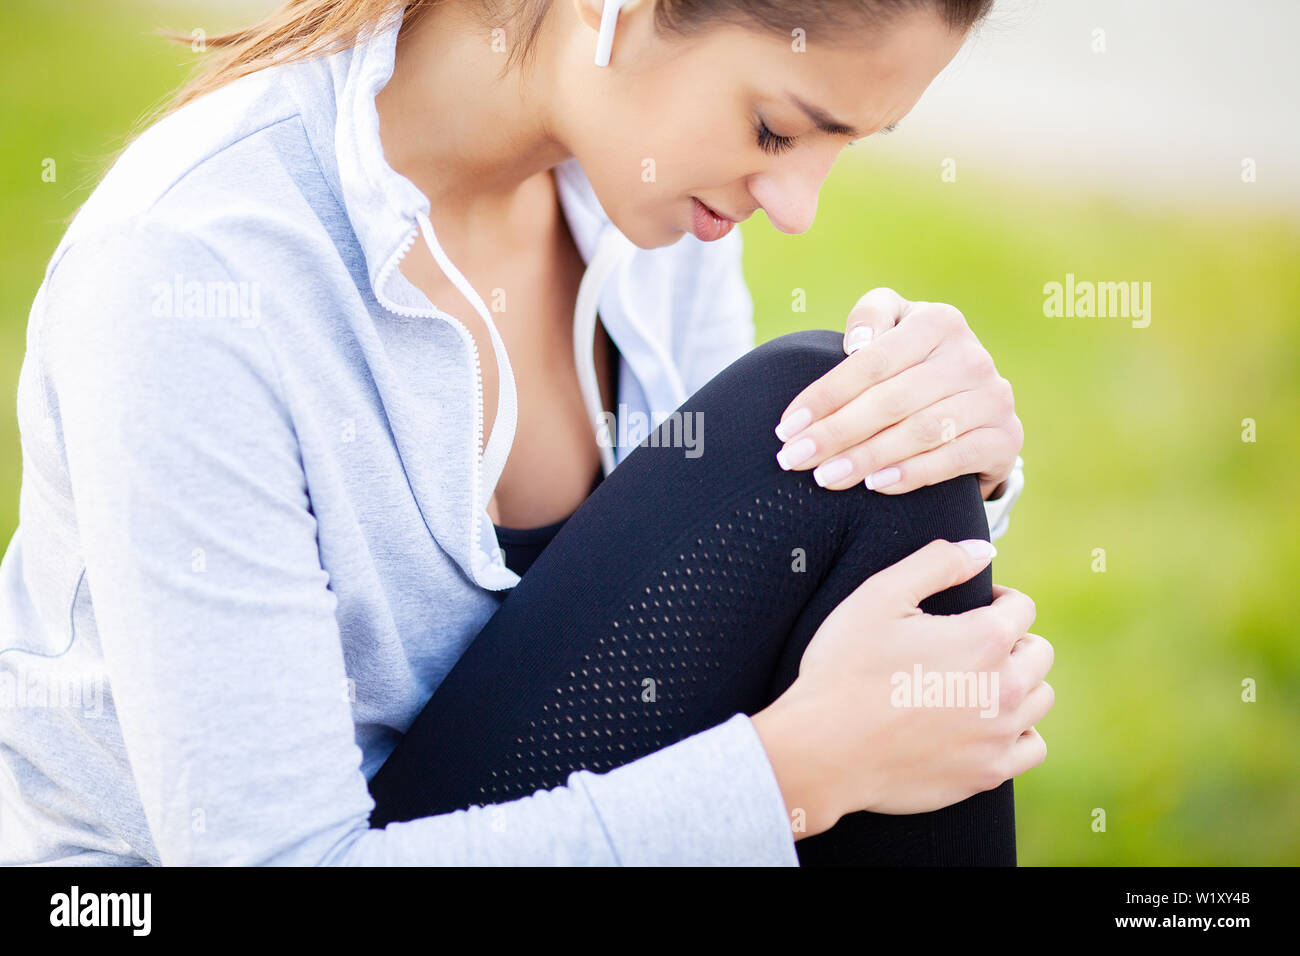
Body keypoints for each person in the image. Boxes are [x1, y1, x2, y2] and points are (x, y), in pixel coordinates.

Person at [0, 0, 1049, 865]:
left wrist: (944, 443)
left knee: (873, 426)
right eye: (775, 128)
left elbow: (718, 627)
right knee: (823, 400)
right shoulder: (194, 269)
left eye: (842, 145)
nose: (795, 203)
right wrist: (794, 774)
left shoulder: (651, 210)